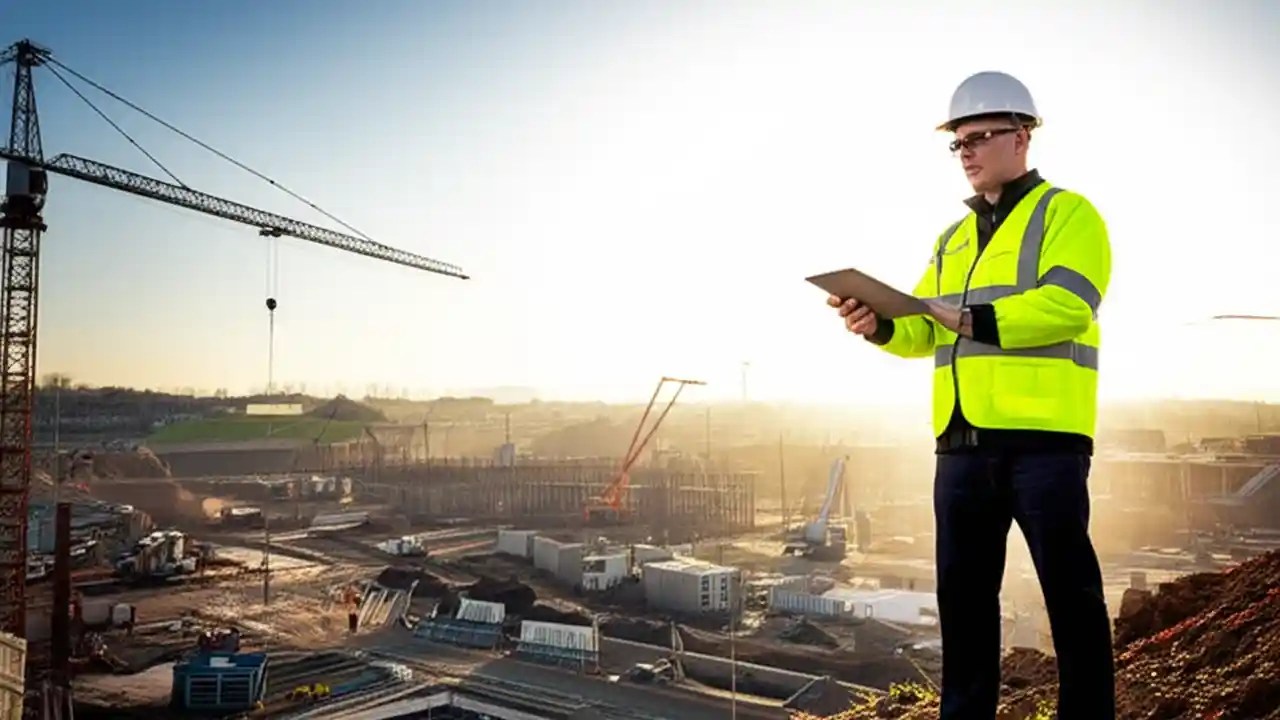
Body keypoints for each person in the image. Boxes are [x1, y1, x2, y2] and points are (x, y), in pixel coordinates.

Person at [829, 71, 1115, 719]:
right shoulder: (951, 239)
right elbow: (922, 331)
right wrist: (877, 325)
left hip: (1044, 442)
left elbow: (1070, 306)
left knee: (1070, 594)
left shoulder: (1068, 214)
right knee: (962, 599)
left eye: (980, 137)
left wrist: (967, 319)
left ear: (1022, 136)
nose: (967, 152)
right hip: (959, 445)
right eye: (958, 143)